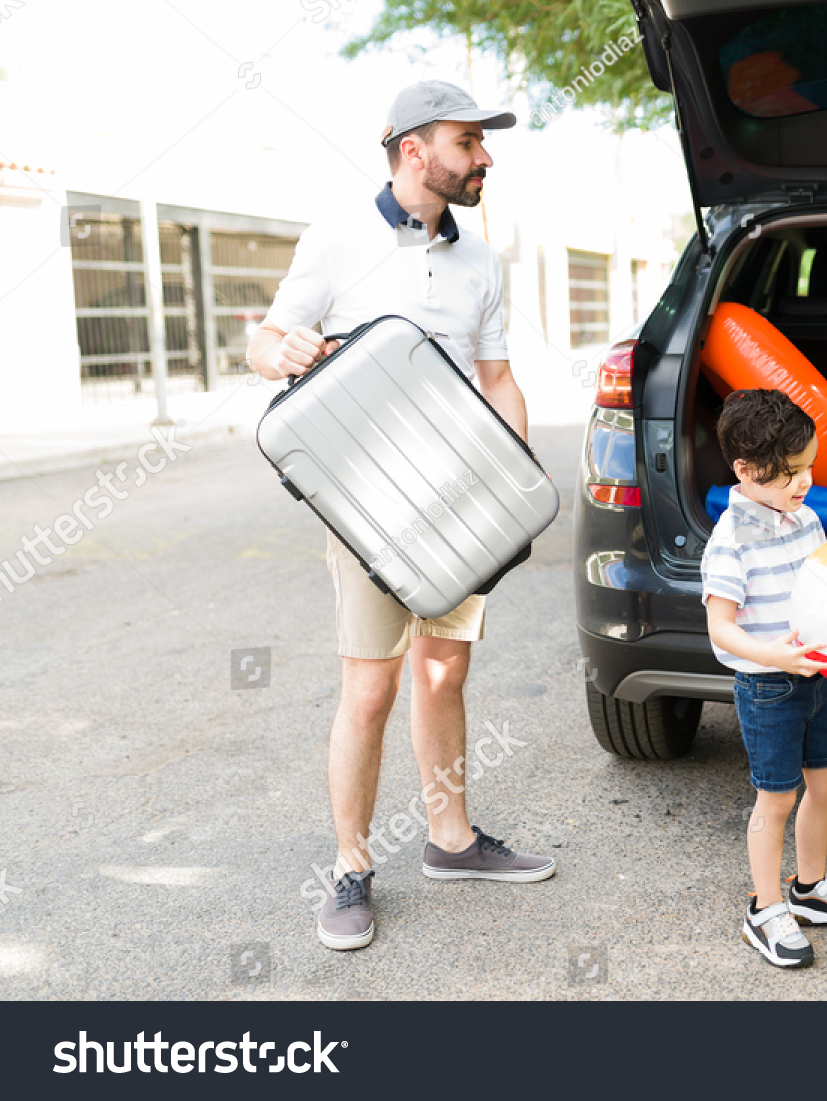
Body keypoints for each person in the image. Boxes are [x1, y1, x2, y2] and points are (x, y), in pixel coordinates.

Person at [247, 80, 556, 952]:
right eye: (469, 143)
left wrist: (513, 488)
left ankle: (452, 839)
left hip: (459, 498)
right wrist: (284, 353)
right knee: (373, 686)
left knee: (443, 675)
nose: (485, 158)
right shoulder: (338, 236)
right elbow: (262, 340)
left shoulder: (480, 260)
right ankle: (350, 866)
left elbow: (496, 379)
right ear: (415, 150)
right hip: (368, 505)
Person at [701, 389, 827, 968]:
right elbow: (721, 630)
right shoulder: (729, 541)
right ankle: (766, 906)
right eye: (789, 474)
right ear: (746, 471)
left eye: (808, 468)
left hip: (811, 678)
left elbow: (823, 591)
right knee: (775, 798)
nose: (804, 483)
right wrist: (772, 655)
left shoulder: (803, 519)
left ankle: (809, 886)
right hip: (767, 686)